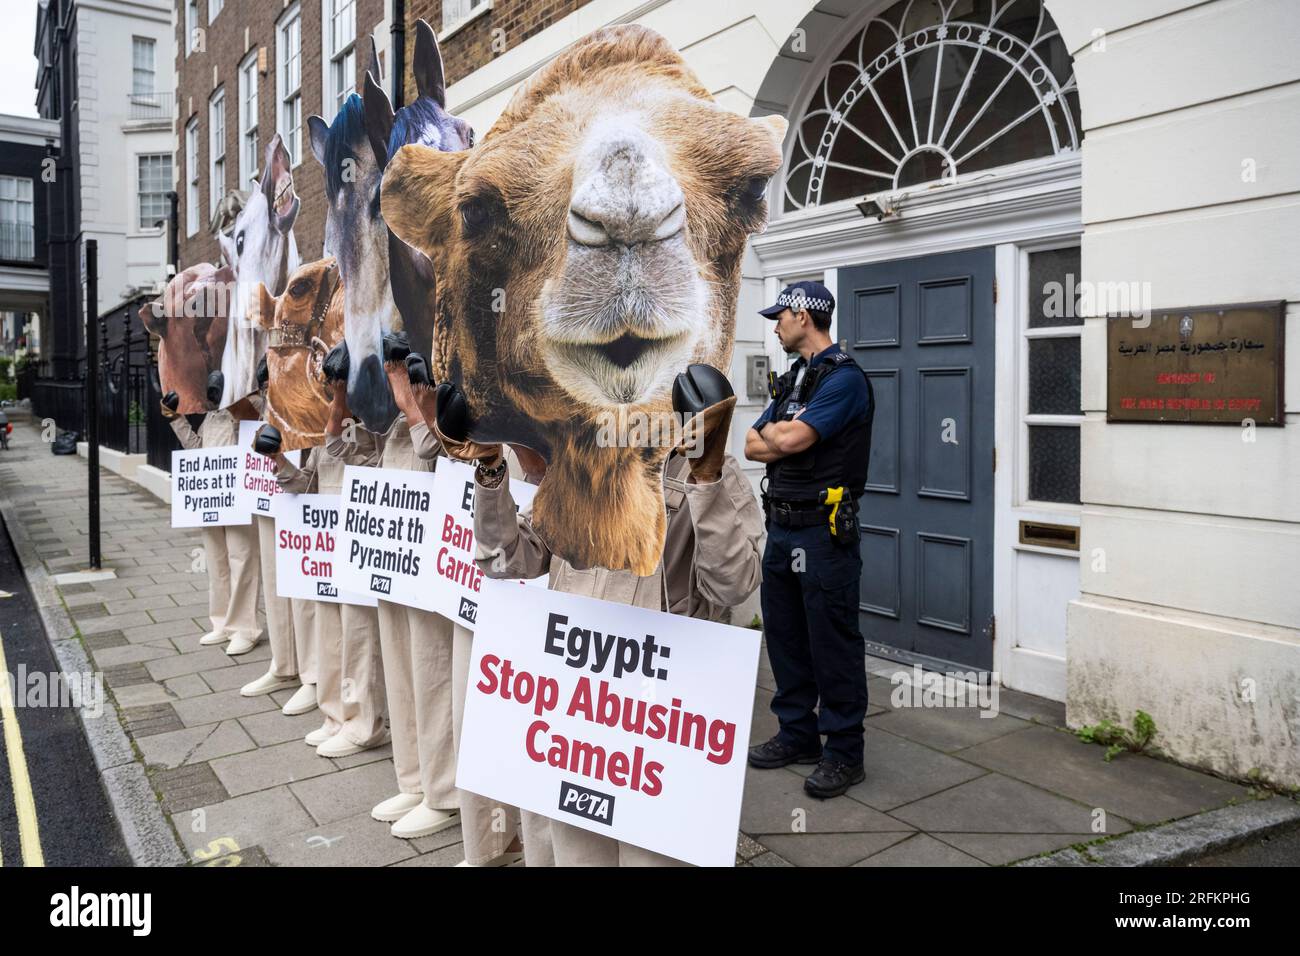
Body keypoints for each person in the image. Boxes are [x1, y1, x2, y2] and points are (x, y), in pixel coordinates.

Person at [440, 362, 763, 866]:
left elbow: (735, 584)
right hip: (579, 721)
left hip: (657, 730)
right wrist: (489, 470)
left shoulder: (703, 465)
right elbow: (505, 559)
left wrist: (707, 476)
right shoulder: (576, 465)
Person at [743, 280, 874, 800]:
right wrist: (783, 433)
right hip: (781, 526)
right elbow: (752, 444)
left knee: (833, 641)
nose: (775, 325)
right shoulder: (797, 377)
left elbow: (791, 438)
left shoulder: (844, 381)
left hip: (824, 531)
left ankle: (844, 752)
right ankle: (798, 735)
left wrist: (785, 433)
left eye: (781, 316)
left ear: (804, 316)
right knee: (786, 636)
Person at [163, 379, 264, 656]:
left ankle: (245, 628)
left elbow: (253, 436)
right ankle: (222, 621)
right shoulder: (212, 413)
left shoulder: (252, 404)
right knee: (216, 559)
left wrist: (233, 403)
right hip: (211, 495)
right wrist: (177, 419)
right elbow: (197, 449)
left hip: (239, 495)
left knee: (242, 559)